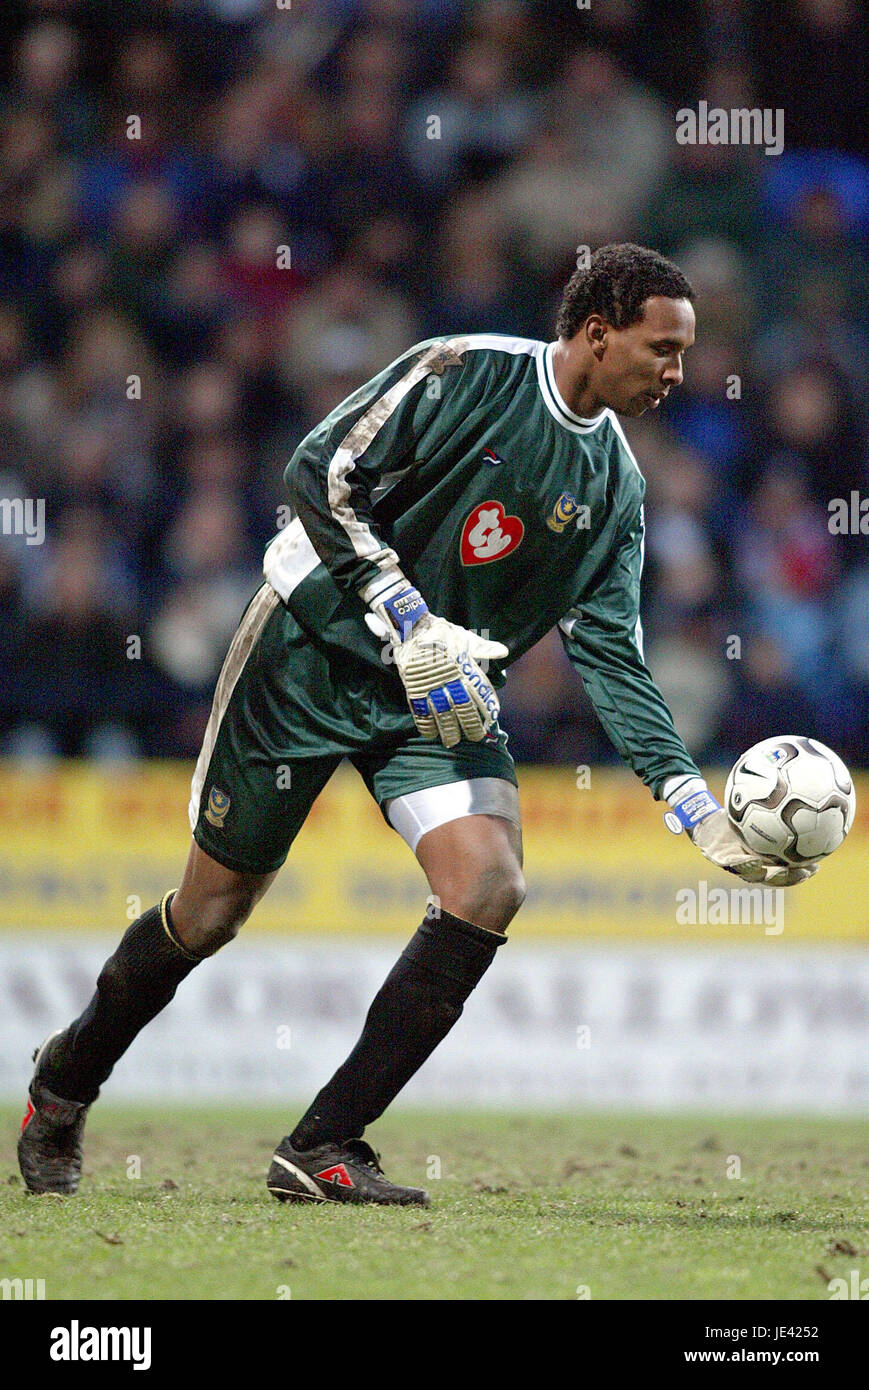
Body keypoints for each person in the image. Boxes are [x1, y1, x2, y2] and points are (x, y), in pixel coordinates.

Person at [18, 244, 816, 1207]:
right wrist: (406, 617)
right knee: (210, 913)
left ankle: (323, 1144)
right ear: (598, 334)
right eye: (663, 348)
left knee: (489, 884)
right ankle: (63, 1088)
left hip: (434, 704)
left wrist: (695, 808)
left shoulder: (617, 489)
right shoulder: (463, 370)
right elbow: (317, 472)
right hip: (308, 654)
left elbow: (611, 657)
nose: (679, 372)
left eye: (684, 353)